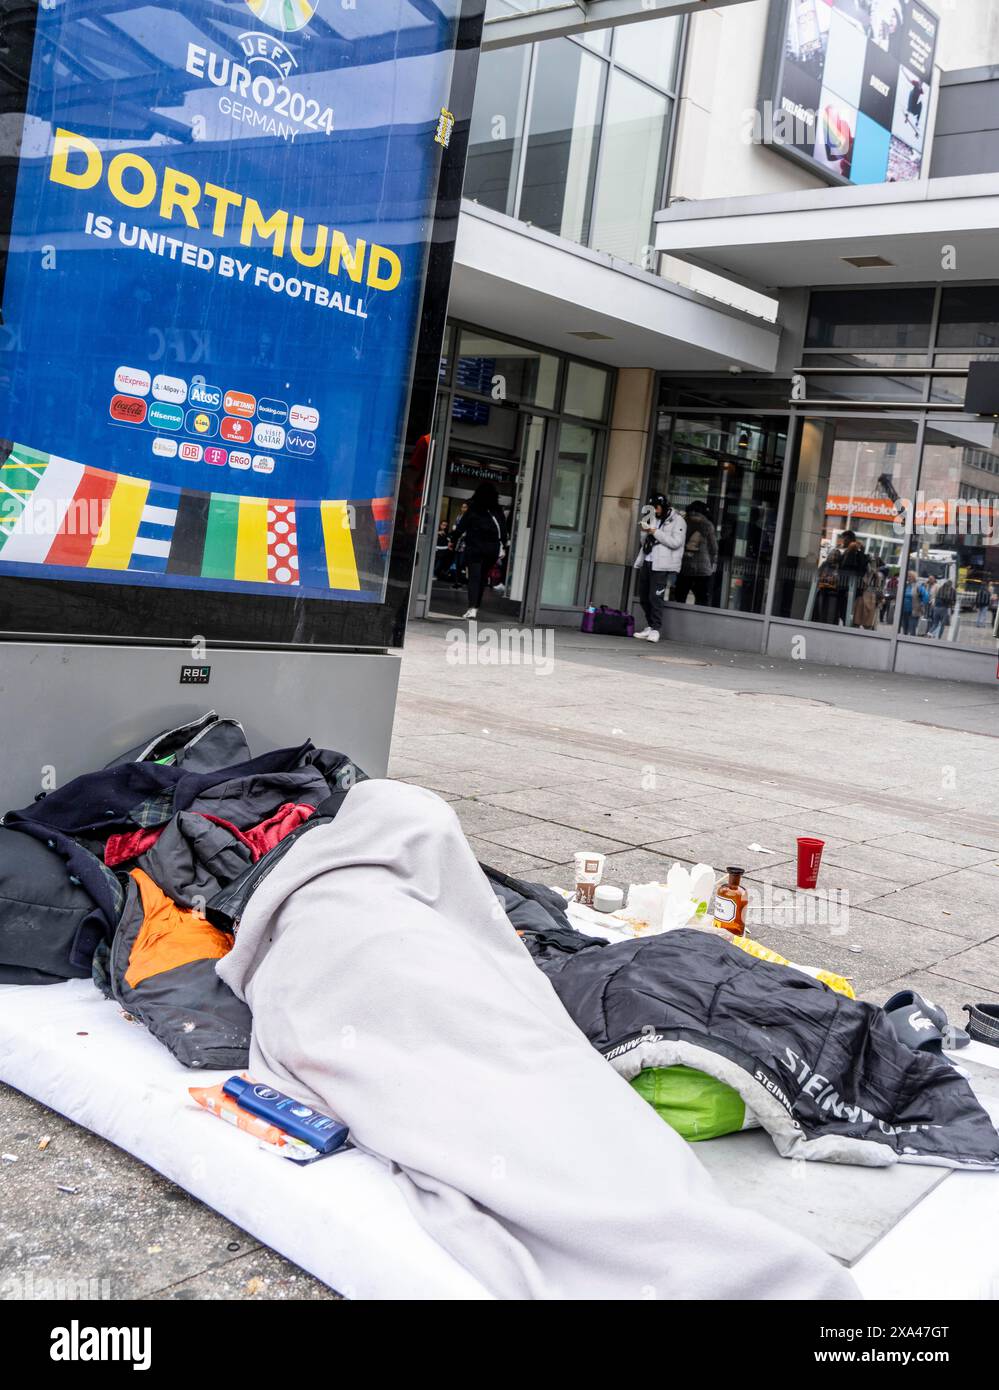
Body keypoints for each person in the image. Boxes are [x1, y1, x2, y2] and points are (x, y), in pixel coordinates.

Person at [449, 482, 507, 620]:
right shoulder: (498, 510)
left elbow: (461, 527)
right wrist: (503, 544)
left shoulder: (473, 508)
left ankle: (472, 608)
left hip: (475, 547)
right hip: (491, 550)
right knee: (482, 578)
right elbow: (503, 531)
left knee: (474, 578)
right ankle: (476, 607)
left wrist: (453, 540)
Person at [632, 494, 686, 642]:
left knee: (655, 597)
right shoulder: (653, 517)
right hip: (647, 560)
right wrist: (645, 530)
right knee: (643, 596)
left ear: (664, 506)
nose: (655, 510)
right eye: (652, 507)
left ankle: (656, 629)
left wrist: (655, 531)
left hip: (662, 565)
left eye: (657, 507)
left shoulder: (678, 520)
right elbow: (644, 542)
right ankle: (650, 626)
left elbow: (676, 542)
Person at [676, 500, 719, 606]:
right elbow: (714, 548)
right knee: (702, 600)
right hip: (702, 569)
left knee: (680, 597)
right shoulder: (708, 525)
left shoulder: (683, 522)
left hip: (684, 566)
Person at [837, 531, 868, 626]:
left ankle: (849, 626)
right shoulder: (852, 552)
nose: (843, 541)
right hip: (848, 587)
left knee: (845, 610)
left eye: (845, 539)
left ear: (850, 540)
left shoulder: (852, 553)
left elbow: (849, 569)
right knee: (844, 610)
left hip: (848, 587)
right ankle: (849, 625)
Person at [931, 574, 957, 640]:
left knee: (935, 623)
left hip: (936, 607)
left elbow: (937, 597)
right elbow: (953, 601)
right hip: (945, 608)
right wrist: (952, 608)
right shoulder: (952, 591)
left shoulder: (940, 588)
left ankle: (930, 633)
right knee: (942, 624)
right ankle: (939, 637)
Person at [901, 568, 922, 636]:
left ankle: (912, 643)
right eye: (907, 576)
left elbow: (926, 596)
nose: (908, 578)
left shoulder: (918, 586)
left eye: (910, 576)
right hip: (904, 610)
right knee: (905, 628)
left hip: (913, 611)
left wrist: (921, 604)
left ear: (914, 577)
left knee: (912, 629)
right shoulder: (905, 585)